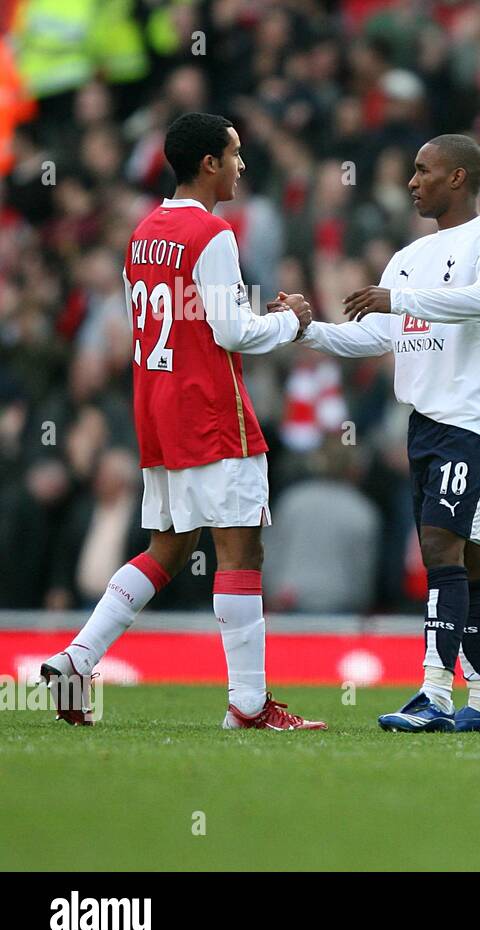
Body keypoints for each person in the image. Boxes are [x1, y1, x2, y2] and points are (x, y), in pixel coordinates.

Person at [40, 112, 324, 730]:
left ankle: (77, 656)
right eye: (235, 153)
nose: (243, 165)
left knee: (168, 548)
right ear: (209, 164)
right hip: (211, 411)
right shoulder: (212, 233)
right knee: (240, 547)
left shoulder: (143, 231)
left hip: (158, 411)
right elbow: (231, 329)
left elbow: (167, 317)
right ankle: (248, 706)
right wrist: (292, 321)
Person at [301, 135, 480, 734]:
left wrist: (398, 298)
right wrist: (307, 331)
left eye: (423, 170)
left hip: (476, 421)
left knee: (439, 548)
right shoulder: (407, 256)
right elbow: (375, 336)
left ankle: (434, 694)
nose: (411, 180)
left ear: (458, 178)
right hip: (426, 422)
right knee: (470, 561)